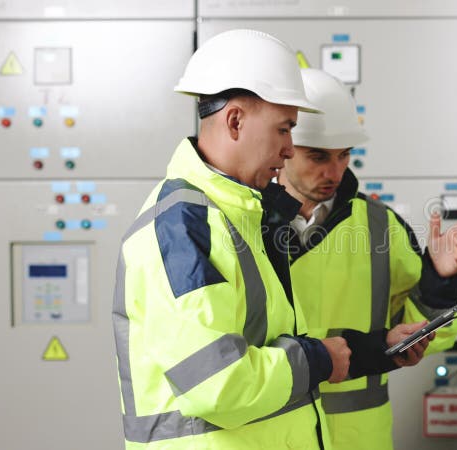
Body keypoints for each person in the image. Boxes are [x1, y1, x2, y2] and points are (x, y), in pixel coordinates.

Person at [112, 30, 351, 450]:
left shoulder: (237, 215)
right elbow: (216, 383)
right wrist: (318, 360)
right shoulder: (184, 225)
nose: (290, 149)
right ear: (235, 121)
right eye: (283, 130)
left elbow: (267, 342)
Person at [277, 68, 457, 450]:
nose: (334, 172)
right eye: (317, 156)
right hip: (272, 437)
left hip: (359, 438)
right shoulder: (245, 220)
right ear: (283, 147)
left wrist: (440, 281)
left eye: (344, 155)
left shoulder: (382, 227)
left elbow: (430, 335)